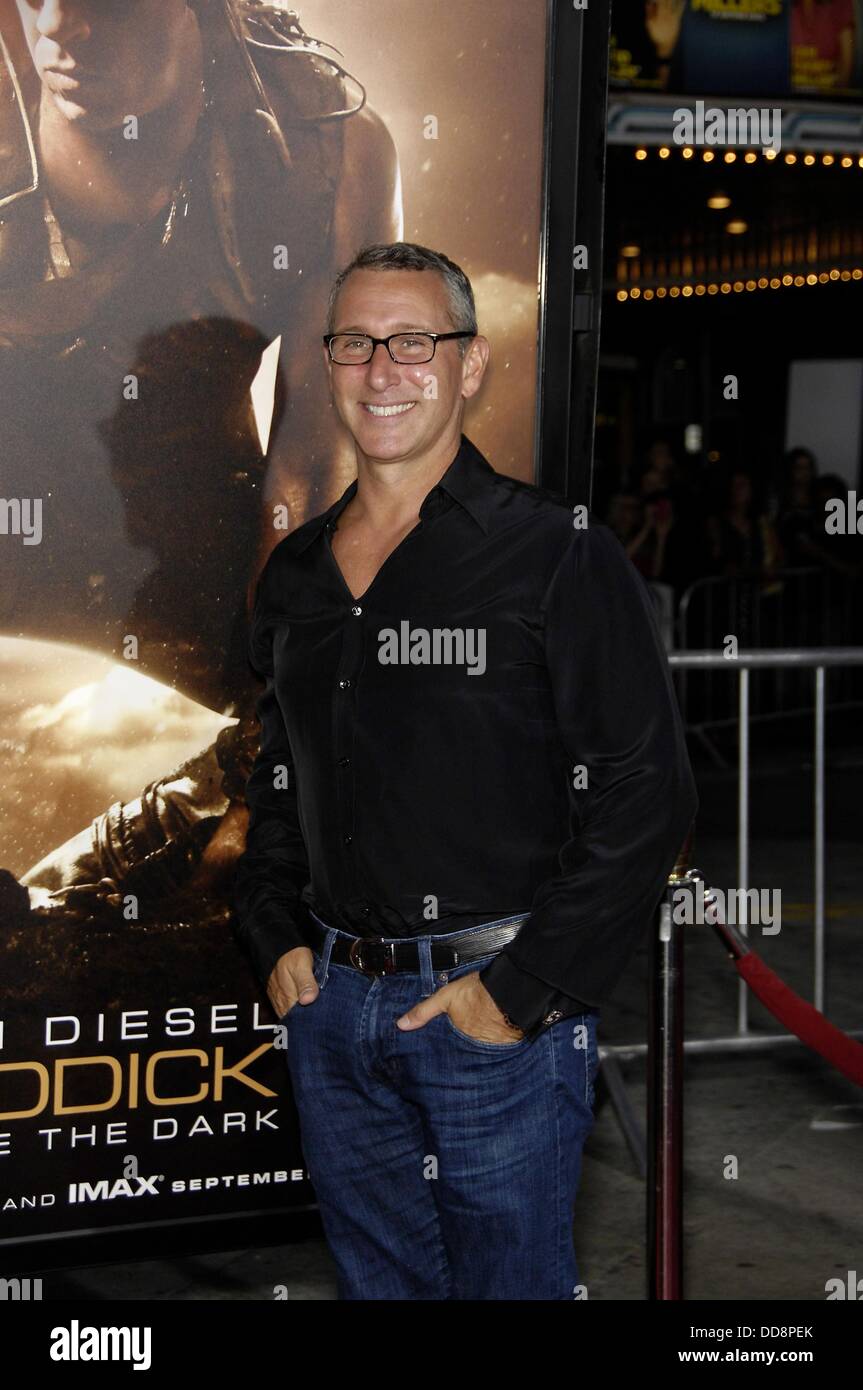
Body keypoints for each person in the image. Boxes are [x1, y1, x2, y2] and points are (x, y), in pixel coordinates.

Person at [233, 241, 698, 1301]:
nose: (381, 369)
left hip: (492, 1020)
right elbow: (276, 774)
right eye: (354, 343)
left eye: (413, 341)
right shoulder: (297, 572)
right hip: (334, 1010)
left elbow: (645, 793)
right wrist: (273, 933)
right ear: (326, 363)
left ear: (468, 366)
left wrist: (518, 995)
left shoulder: (555, 553)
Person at [0, 0, 401, 923]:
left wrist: (278, 723)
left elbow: (313, 457)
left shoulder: (323, 147)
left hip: (201, 572)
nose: (61, 28)